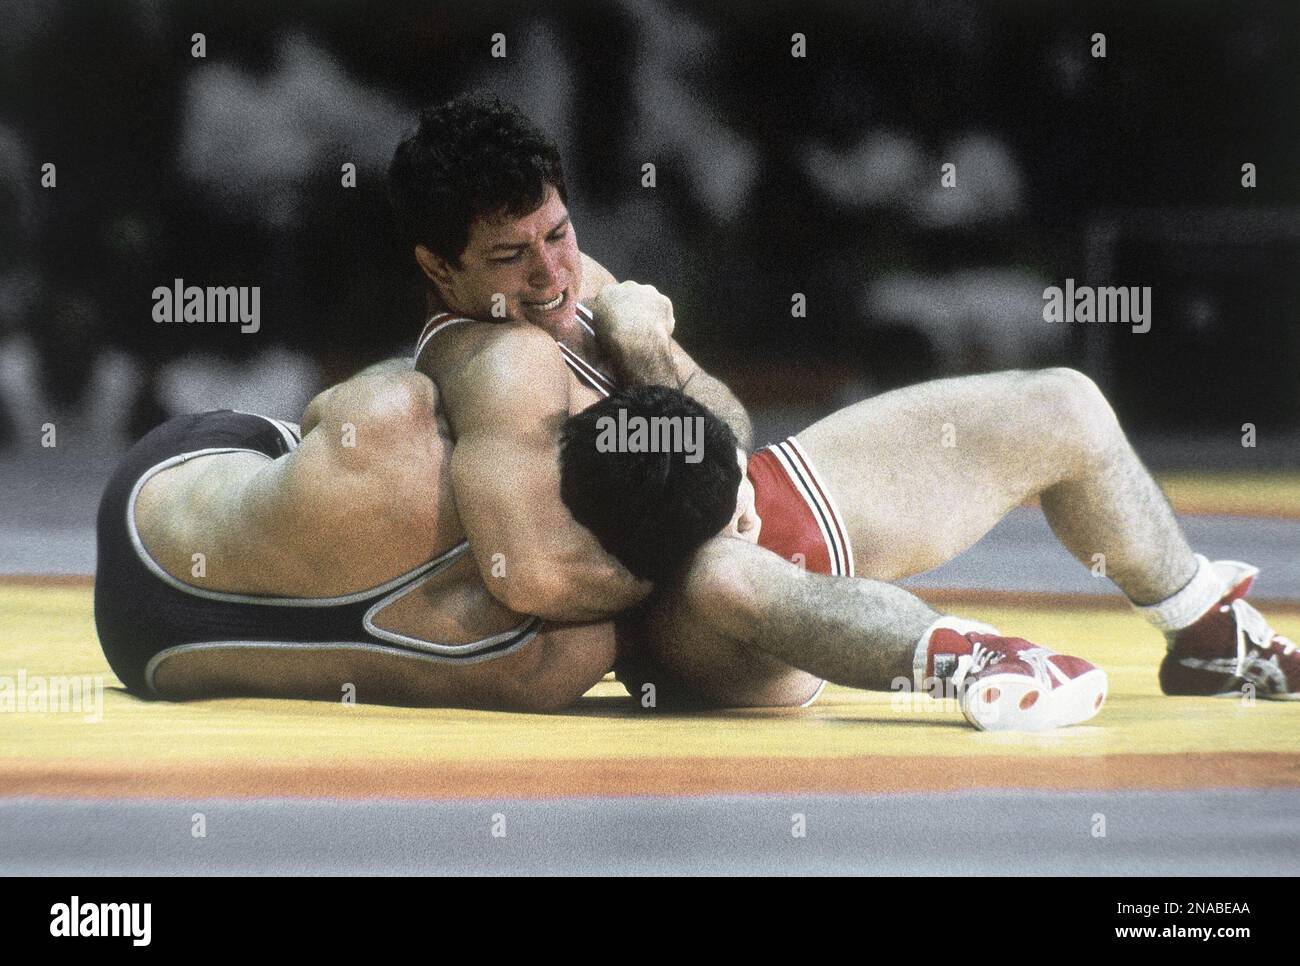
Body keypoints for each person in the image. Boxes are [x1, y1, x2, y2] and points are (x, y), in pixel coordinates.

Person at [391, 93, 1297, 727]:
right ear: (440, 269)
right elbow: (530, 574)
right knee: (725, 577)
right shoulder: (488, 364)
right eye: (512, 257)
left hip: (758, 503)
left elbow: (727, 423)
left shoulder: (577, 287)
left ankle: (1207, 632)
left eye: (558, 233)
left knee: (1064, 404)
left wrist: (644, 347)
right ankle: (965, 659)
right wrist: (694, 532)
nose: (551, 273)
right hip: (694, 620)